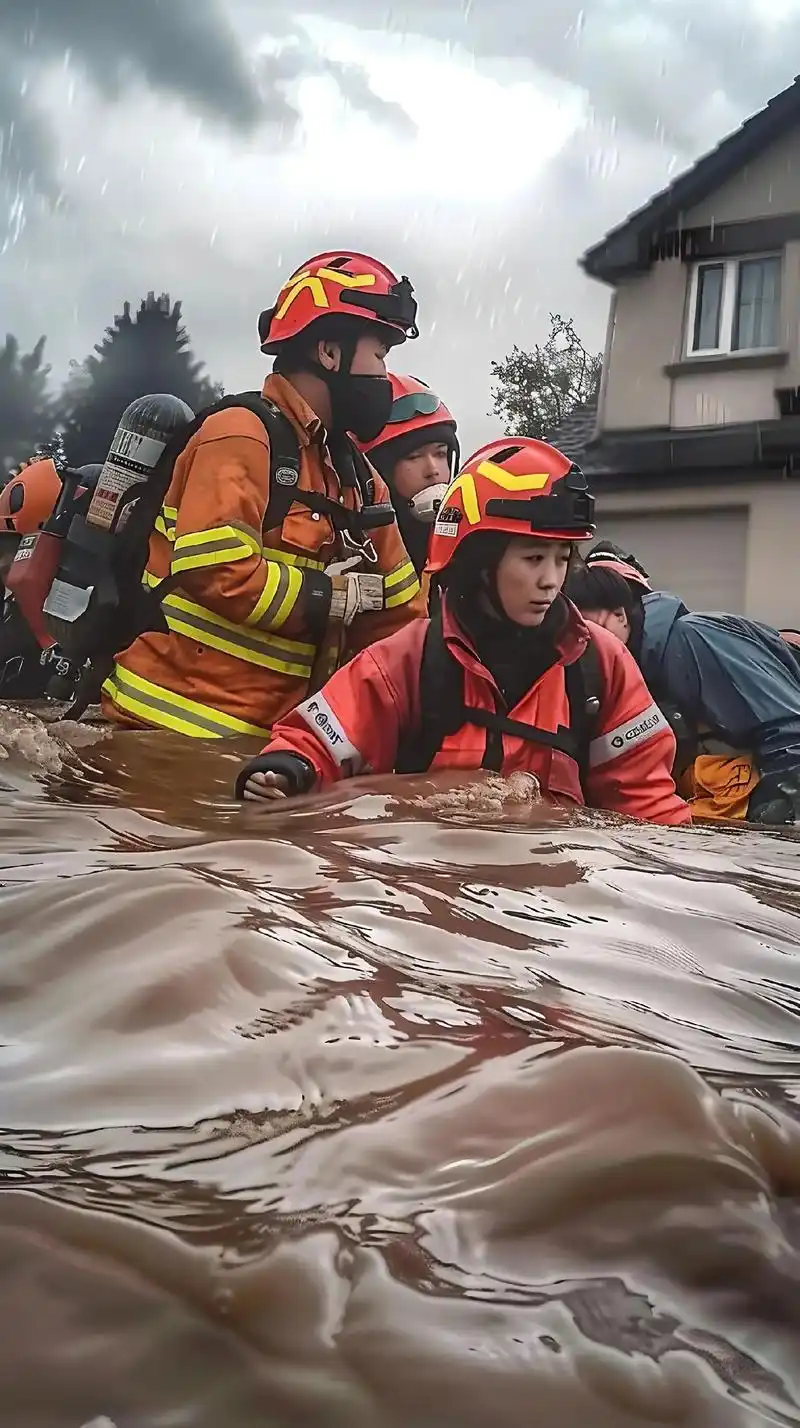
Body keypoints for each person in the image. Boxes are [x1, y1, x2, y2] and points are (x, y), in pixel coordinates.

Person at [234, 437, 690, 825]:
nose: (552, 579)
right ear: (480, 564)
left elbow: (647, 811)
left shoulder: (601, 664)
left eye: (562, 559)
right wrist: (284, 770)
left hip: (555, 912)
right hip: (431, 896)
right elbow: (318, 740)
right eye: (533, 559)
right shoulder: (409, 659)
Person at [101, 250, 428, 740]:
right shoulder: (239, 436)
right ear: (330, 352)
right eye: (379, 354)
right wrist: (332, 597)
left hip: (270, 753)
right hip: (161, 737)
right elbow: (218, 571)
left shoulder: (360, 481)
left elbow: (400, 620)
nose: (384, 375)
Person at [566, 547, 800, 825]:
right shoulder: (608, 678)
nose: (589, 642)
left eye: (592, 628)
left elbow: (790, 729)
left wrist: (779, 819)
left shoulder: (696, 637)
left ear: (621, 613)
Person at [355, 373, 459, 576]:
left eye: (440, 453)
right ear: (379, 470)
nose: (433, 470)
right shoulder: (352, 548)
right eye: (414, 457)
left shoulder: (469, 543)